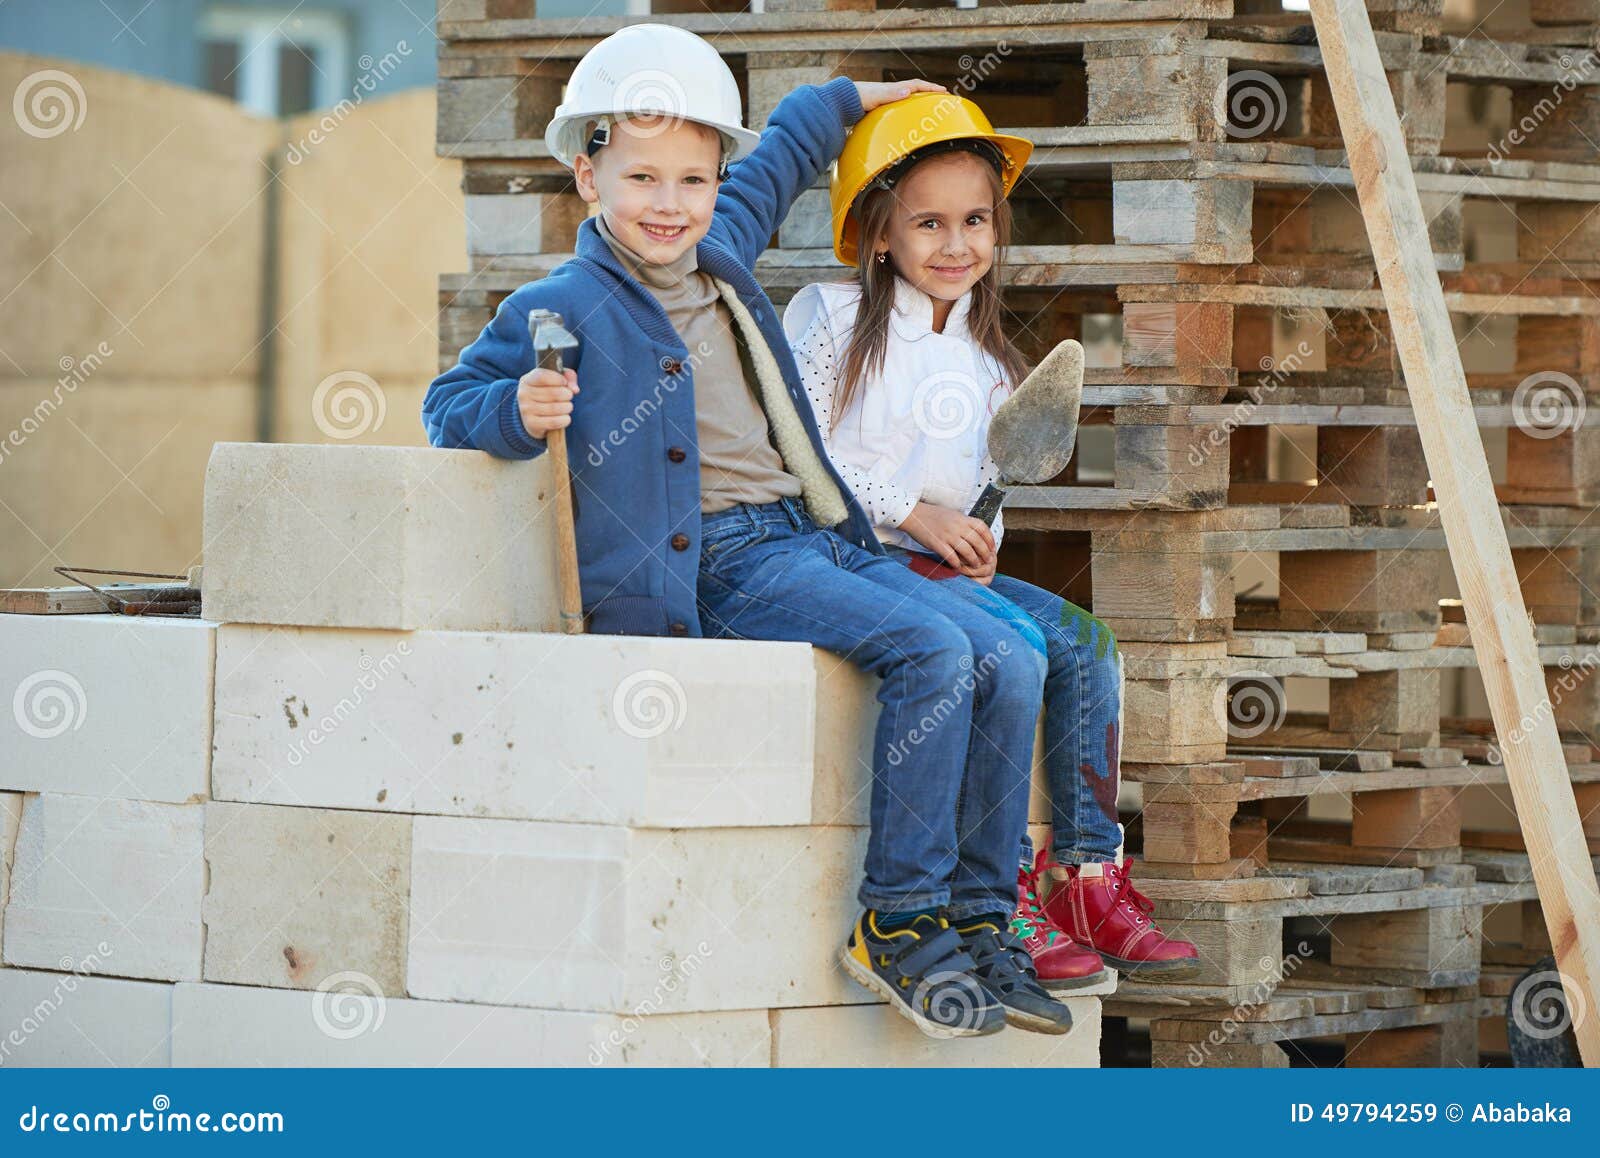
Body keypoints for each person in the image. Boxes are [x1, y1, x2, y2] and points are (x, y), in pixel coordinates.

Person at [423, 25, 1075, 1035]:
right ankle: (898, 921)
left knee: (1014, 651)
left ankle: (984, 915)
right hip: (715, 564)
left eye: (692, 178)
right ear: (587, 175)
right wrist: (517, 412)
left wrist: (854, 94)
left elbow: (781, 158)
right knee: (934, 647)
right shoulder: (562, 305)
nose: (669, 204)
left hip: (808, 535)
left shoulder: (719, 250)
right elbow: (448, 402)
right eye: (642, 177)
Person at [784, 93, 1201, 983]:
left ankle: (1086, 873)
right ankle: (995, 887)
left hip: (938, 568)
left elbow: (984, 492)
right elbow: (799, 451)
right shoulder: (827, 318)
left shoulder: (990, 363)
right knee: (1008, 650)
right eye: (927, 223)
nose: (955, 244)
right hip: (851, 559)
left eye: (975, 220)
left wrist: (978, 535)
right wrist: (910, 512)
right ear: (878, 233)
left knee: (1087, 642)